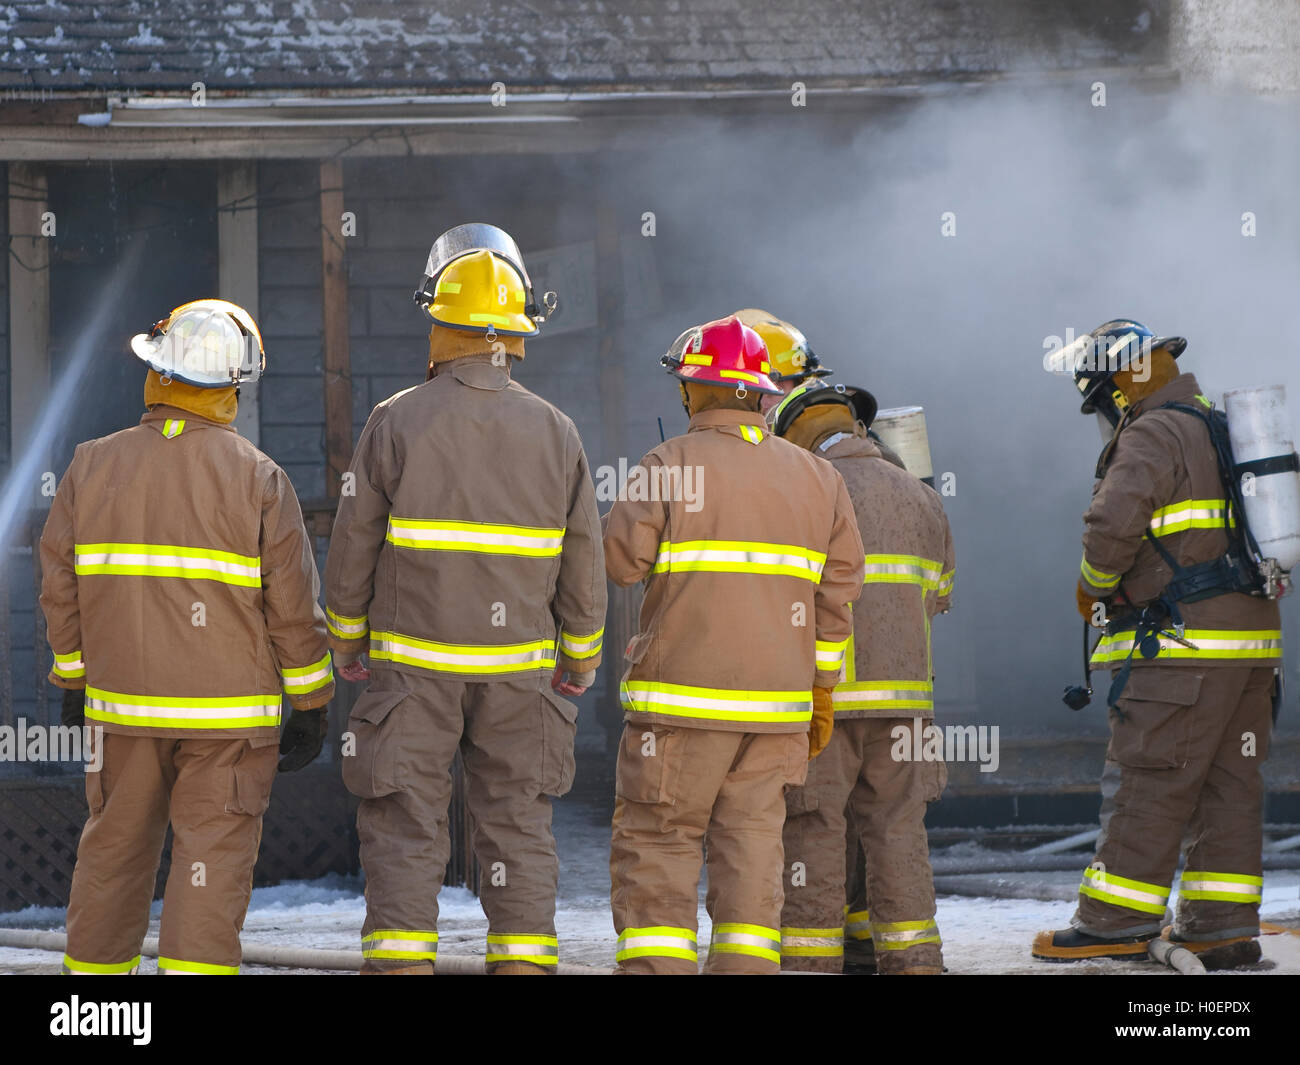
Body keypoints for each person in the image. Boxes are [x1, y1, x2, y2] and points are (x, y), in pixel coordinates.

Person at [324, 223, 606, 974]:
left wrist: (347, 642)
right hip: (519, 676)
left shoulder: (396, 419)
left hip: (411, 673)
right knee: (517, 828)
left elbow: (354, 544)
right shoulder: (557, 431)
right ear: (515, 334)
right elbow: (585, 554)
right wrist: (578, 656)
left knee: (405, 827)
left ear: (439, 324)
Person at [41, 299, 334, 975]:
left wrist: (74, 674)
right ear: (232, 387)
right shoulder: (260, 478)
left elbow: (59, 583)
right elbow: (294, 610)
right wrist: (312, 703)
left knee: (113, 853)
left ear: (156, 374)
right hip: (228, 725)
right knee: (210, 864)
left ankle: (94, 1010)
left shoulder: (90, 466)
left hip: (123, 711)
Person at [602, 315, 864, 973]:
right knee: (752, 850)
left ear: (694, 391)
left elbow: (619, 562)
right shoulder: (819, 479)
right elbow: (837, 604)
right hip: (776, 712)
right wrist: (820, 693)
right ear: (763, 393)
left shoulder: (667, 465)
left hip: (680, 711)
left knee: (660, 844)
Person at [1034, 320, 1282, 966]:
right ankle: (1221, 928)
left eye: (1101, 402)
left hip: (1182, 651)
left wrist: (1090, 589)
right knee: (1228, 784)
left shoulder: (1152, 431)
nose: (1104, 417)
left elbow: (1111, 527)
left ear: (1120, 387)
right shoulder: (1217, 425)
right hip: (1250, 648)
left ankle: (1114, 920)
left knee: (1153, 775)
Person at [770, 380, 954, 974]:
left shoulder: (802, 489)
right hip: (906, 702)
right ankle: (916, 961)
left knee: (814, 826)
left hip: (826, 696)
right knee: (898, 829)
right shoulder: (922, 496)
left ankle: (809, 964)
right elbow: (941, 595)